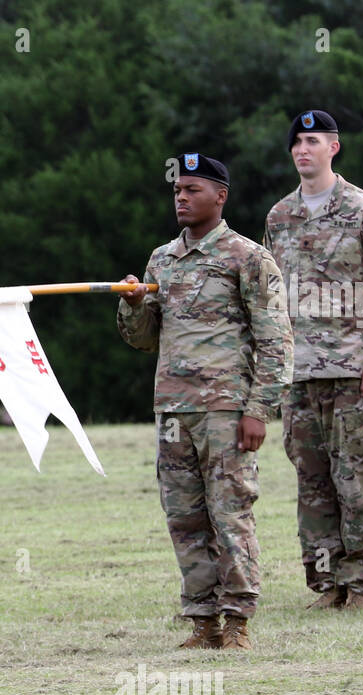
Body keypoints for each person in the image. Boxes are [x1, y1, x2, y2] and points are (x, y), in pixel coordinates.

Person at [118, 154, 292, 650]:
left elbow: (276, 340)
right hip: (173, 410)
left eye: (193, 189)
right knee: (184, 517)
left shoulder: (248, 257)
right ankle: (201, 620)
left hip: (226, 410)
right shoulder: (161, 260)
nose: (181, 197)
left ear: (221, 196)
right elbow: (145, 339)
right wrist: (132, 306)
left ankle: (237, 619)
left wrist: (259, 409)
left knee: (230, 512)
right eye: (177, 190)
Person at [263, 109, 363, 609]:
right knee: (312, 485)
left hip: (355, 372)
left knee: (352, 482)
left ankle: (362, 586)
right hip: (299, 373)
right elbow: (268, 300)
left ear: (334, 147)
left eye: (313, 141)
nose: (303, 150)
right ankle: (327, 584)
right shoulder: (279, 217)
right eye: (297, 143)